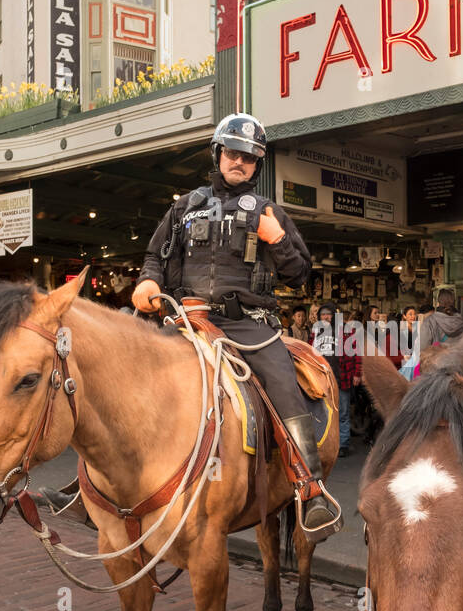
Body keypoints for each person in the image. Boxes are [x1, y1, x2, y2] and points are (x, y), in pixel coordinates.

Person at [132, 112, 342, 539]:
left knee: (283, 384)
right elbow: (155, 255)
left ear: (256, 165)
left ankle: (310, 488)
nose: (239, 161)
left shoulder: (269, 211)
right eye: (232, 152)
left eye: (248, 157)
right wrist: (148, 280)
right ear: (217, 154)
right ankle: (92, 486)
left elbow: (301, 273)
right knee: (126, 372)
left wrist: (277, 240)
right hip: (187, 319)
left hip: (248, 324)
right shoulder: (183, 207)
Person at [311, 303, 360, 457]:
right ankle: (325, 443)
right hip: (321, 379)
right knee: (322, 412)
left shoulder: (346, 330)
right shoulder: (315, 331)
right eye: (322, 314)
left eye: (328, 314)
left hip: (342, 377)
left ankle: (343, 444)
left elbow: (357, 352)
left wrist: (357, 373)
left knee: (343, 412)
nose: (325, 317)